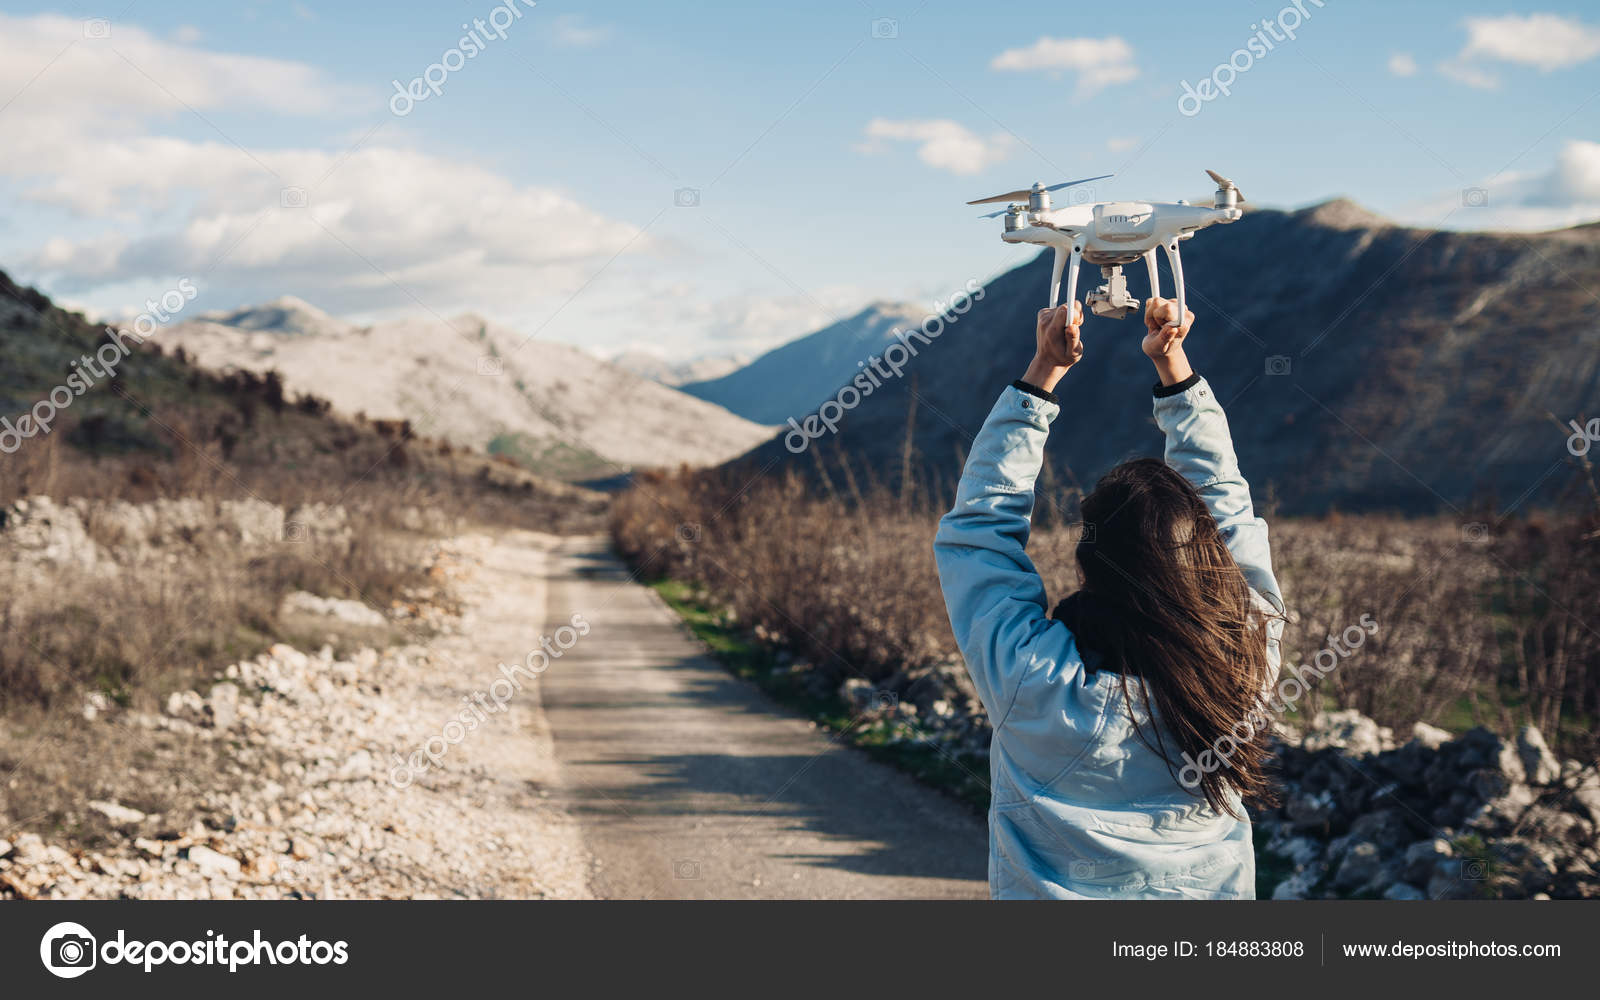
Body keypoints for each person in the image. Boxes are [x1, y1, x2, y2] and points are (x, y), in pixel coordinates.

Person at [933, 297, 1285, 899]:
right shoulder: (1245, 659)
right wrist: (1175, 369)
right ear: (1204, 559)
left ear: (1090, 562)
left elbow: (982, 531)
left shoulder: (1031, 675)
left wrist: (1041, 375)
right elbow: (1229, 509)